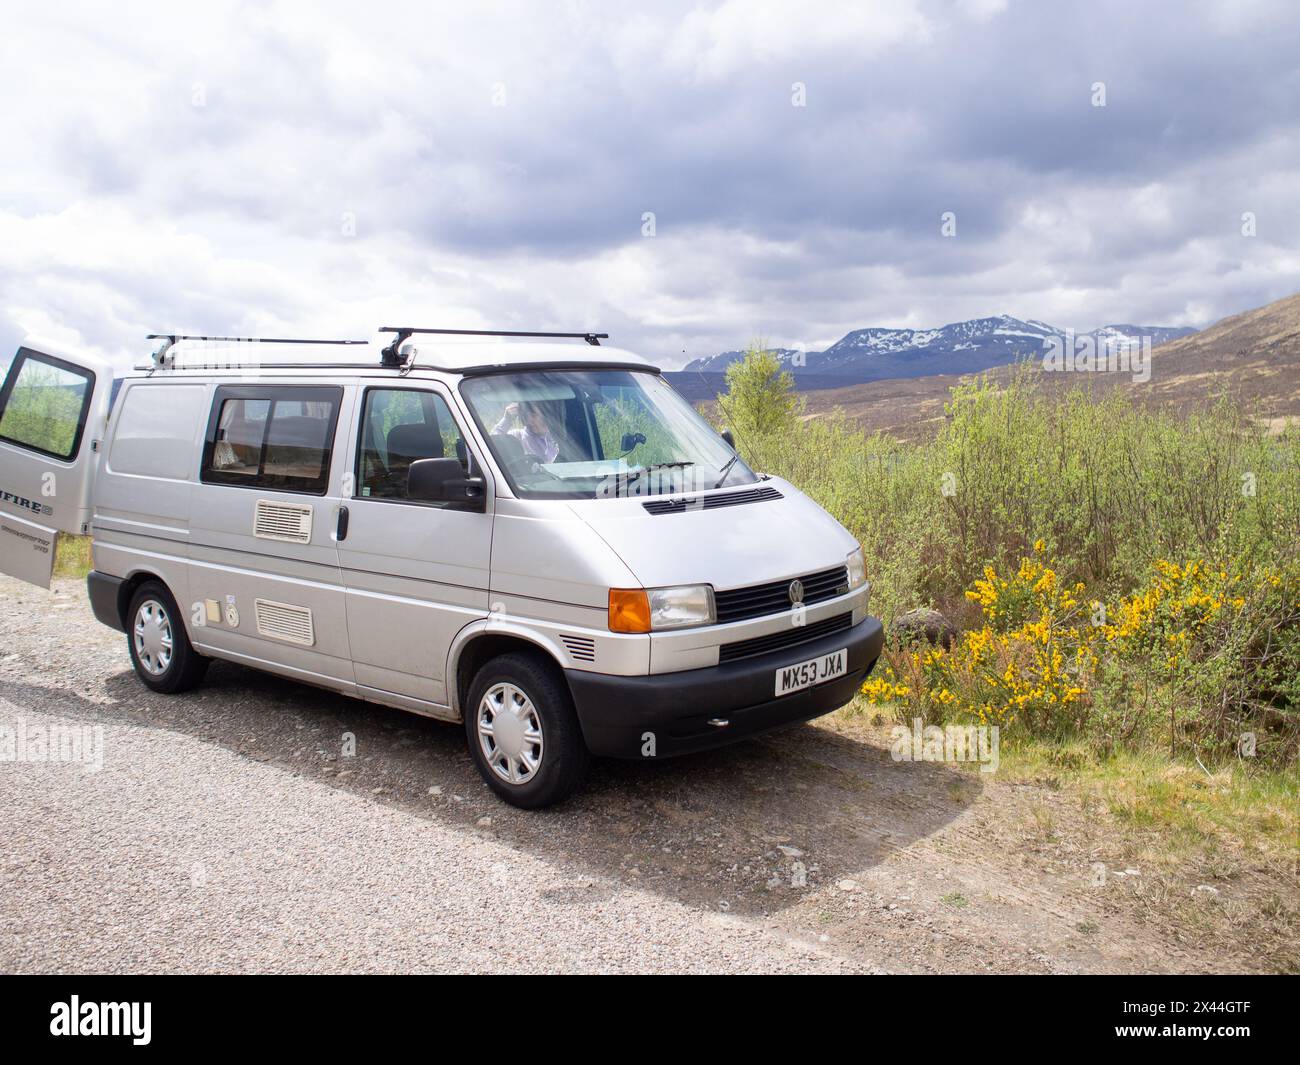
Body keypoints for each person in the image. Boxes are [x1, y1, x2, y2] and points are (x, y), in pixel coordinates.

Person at [492, 401, 559, 463]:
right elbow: (490, 446)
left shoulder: (559, 439)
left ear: (546, 416)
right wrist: (506, 420)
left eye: (534, 416)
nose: (529, 420)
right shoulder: (517, 436)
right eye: (527, 416)